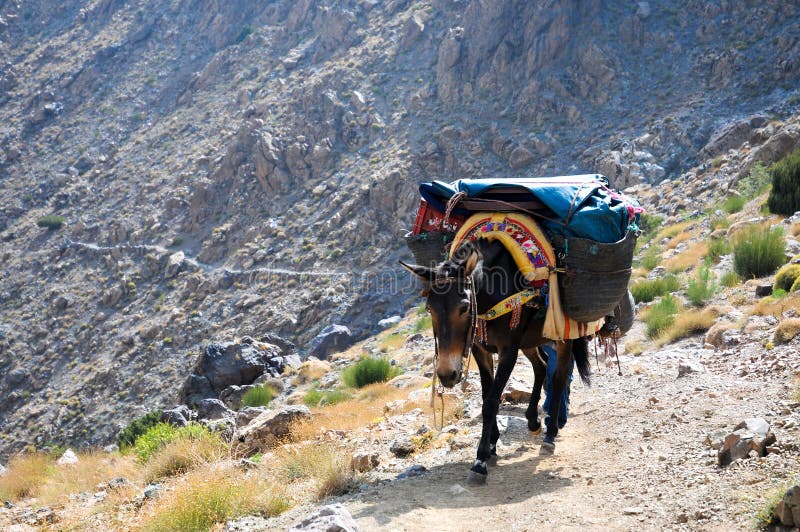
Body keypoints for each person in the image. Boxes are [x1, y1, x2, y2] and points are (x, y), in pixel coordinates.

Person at [541, 342, 573, 429]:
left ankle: (556, 415)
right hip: (549, 343)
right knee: (554, 380)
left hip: (567, 344)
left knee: (562, 380)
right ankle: (556, 417)